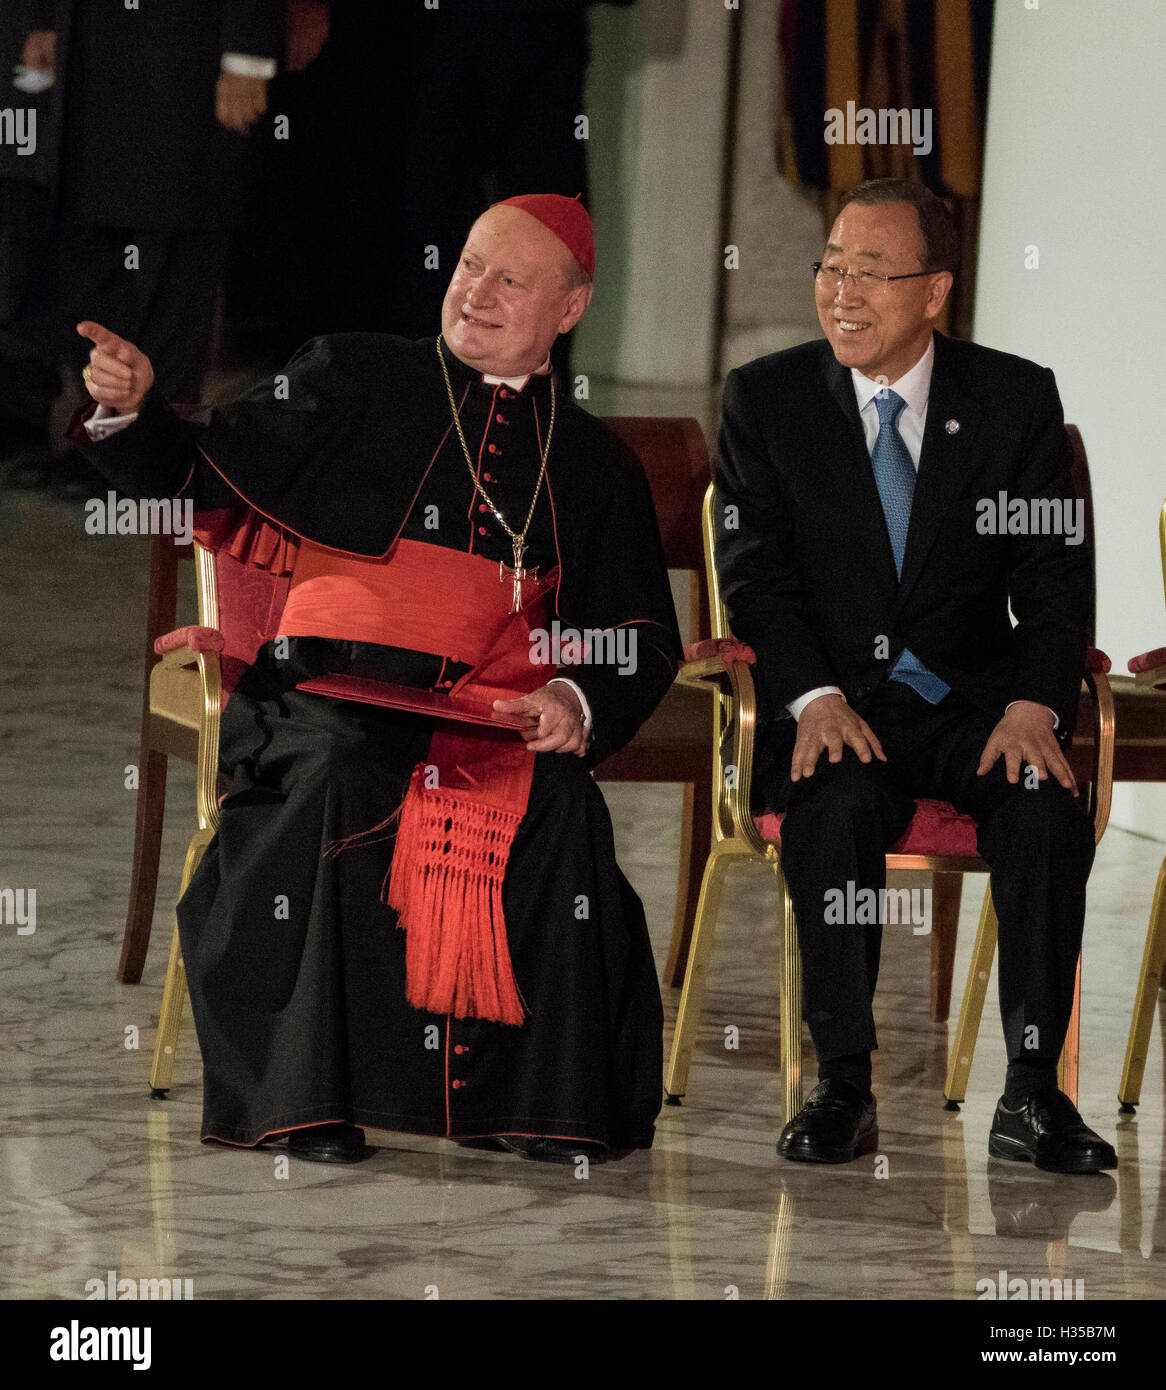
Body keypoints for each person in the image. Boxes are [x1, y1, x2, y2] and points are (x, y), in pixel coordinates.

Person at [74, 193, 681, 1164]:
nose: (474, 292)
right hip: (317, 692)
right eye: (470, 264)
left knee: (560, 802)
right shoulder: (351, 374)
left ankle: (532, 1105)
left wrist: (573, 700)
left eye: (509, 279)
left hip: (483, 717)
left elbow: (641, 637)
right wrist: (131, 408)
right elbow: (195, 469)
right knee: (339, 767)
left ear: (567, 311)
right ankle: (302, 1099)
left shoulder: (593, 462)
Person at [714, 177, 1116, 1175]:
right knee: (833, 801)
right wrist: (810, 697)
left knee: (1038, 804)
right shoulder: (765, 399)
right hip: (834, 704)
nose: (841, 294)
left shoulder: (1012, 399)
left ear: (934, 291)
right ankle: (841, 1083)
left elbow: (1053, 571)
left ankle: (1030, 1093)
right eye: (830, 267)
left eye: (870, 273)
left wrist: (1032, 704)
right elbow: (752, 578)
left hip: (967, 706)